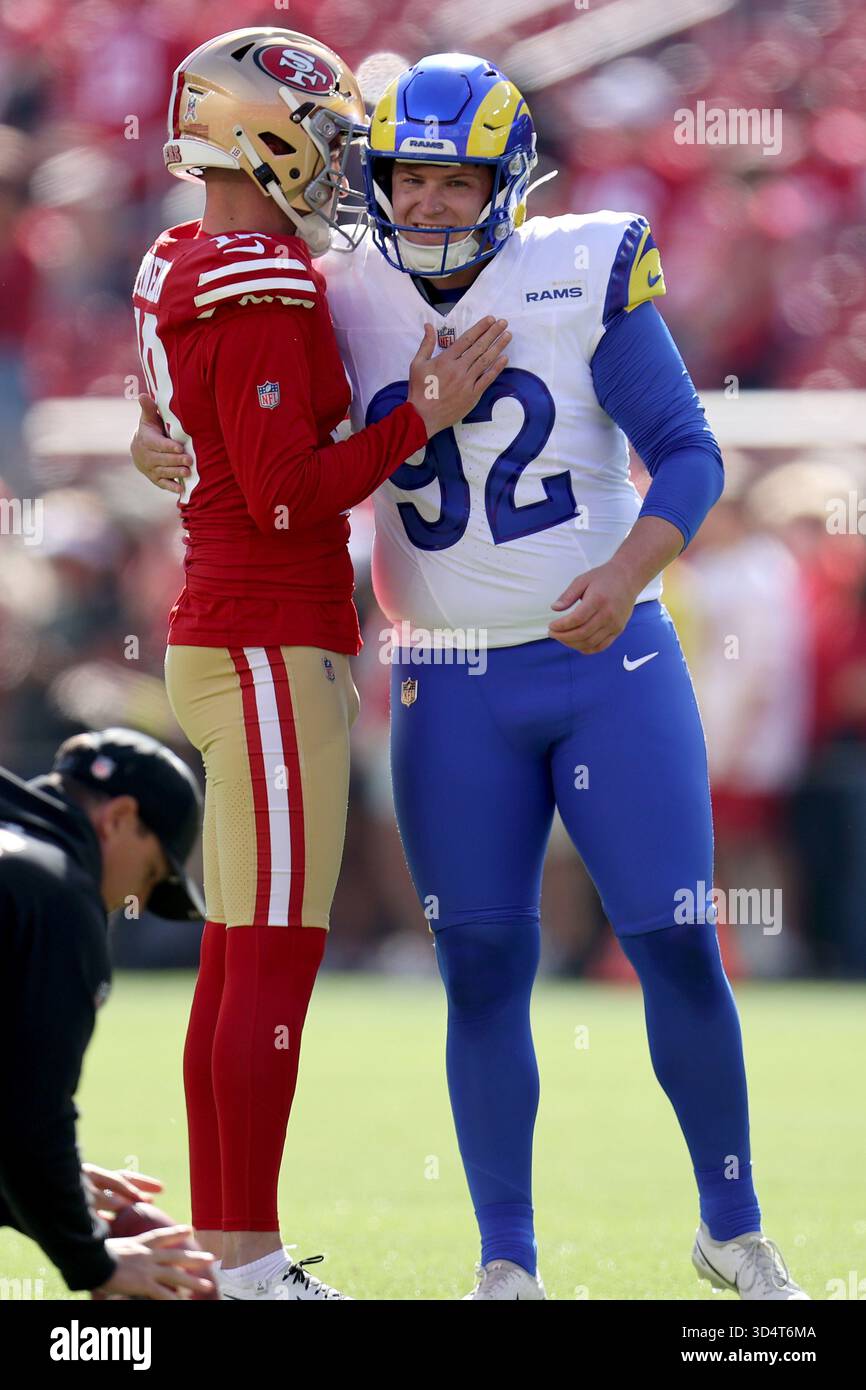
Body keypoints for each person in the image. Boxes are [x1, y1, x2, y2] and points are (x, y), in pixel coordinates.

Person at [133, 50, 807, 1301]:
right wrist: (158, 426)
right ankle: (506, 1261)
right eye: (407, 176)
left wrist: (634, 566)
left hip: (608, 661)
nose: (429, 201)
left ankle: (732, 1223)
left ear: (505, 181)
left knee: (676, 947)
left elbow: (687, 451)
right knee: (481, 968)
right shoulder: (329, 285)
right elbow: (230, 394)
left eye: (453, 178)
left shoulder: (580, 263)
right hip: (444, 678)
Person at [130, 28, 509, 1301]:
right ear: (265, 135)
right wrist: (421, 416)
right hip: (266, 638)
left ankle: (230, 1254)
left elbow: (181, 425)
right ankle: (247, 1265)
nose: (346, 166)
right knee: (274, 954)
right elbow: (291, 497)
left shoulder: (179, 254)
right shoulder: (266, 280)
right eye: (332, 140)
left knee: (240, 951)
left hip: (218, 635)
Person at [0, 727, 216, 1300]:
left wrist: (49, 1192)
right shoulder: (58, 899)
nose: (137, 902)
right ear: (118, 818)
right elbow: (29, 1114)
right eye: (149, 876)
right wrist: (93, 1260)